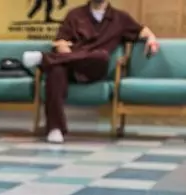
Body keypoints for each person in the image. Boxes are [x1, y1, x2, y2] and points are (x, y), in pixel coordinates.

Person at [22, 0, 159, 144]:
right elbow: (61, 41)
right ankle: (55, 128)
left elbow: (141, 31)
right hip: (71, 68)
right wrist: (64, 49)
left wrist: (151, 38)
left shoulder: (120, 18)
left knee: (101, 56)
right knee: (56, 70)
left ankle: (44, 58)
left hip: (95, 68)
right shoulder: (74, 15)